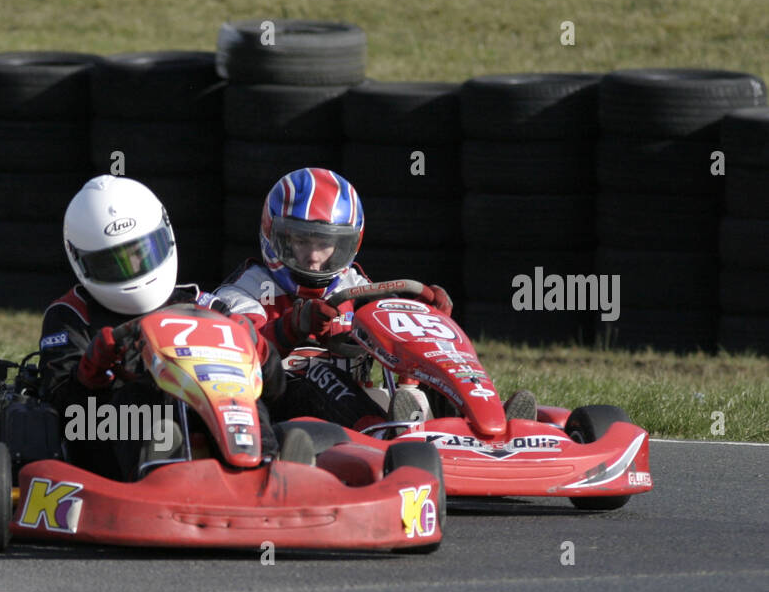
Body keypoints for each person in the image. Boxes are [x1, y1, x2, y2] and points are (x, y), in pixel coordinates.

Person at [216, 167, 536, 426]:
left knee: (430, 360)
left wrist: (427, 319)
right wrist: (291, 329)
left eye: (325, 244)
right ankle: (383, 435)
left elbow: (390, 323)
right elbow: (235, 356)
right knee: (317, 370)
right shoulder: (246, 291)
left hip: (353, 405)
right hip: (276, 410)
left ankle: (483, 426)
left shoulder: (353, 285)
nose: (313, 257)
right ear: (274, 235)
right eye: (301, 242)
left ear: (347, 245)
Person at [37, 174, 291, 480]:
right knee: (138, 400)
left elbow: (276, 391)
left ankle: (266, 472)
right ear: (82, 262)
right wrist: (91, 371)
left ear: (165, 238)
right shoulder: (72, 316)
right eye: (112, 262)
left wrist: (258, 349)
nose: (133, 268)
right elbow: (65, 418)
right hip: (106, 448)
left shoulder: (206, 307)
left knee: (237, 395)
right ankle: (161, 481)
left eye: (141, 253)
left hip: (208, 429)